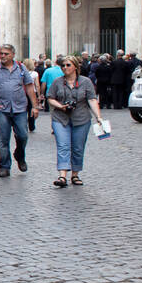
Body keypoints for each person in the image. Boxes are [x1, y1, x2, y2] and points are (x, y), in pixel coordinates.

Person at [0, 43, 39, 178]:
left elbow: (29, 86)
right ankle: (4, 166)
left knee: (23, 135)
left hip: (20, 108)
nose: (2, 56)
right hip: (2, 108)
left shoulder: (21, 67)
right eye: (1, 53)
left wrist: (35, 106)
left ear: (13, 55)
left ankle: (19, 155)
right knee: (3, 139)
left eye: (5, 54)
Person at [47, 56, 102, 187]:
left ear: (76, 67)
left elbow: (92, 99)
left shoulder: (86, 82)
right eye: (63, 66)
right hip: (60, 118)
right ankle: (62, 176)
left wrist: (98, 117)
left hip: (81, 118)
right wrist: (60, 106)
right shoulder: (57, 82)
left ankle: (75, 175)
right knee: (63, 146)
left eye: (68, 65)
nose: (65, 68)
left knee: (77, 147)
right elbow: (50, 98)